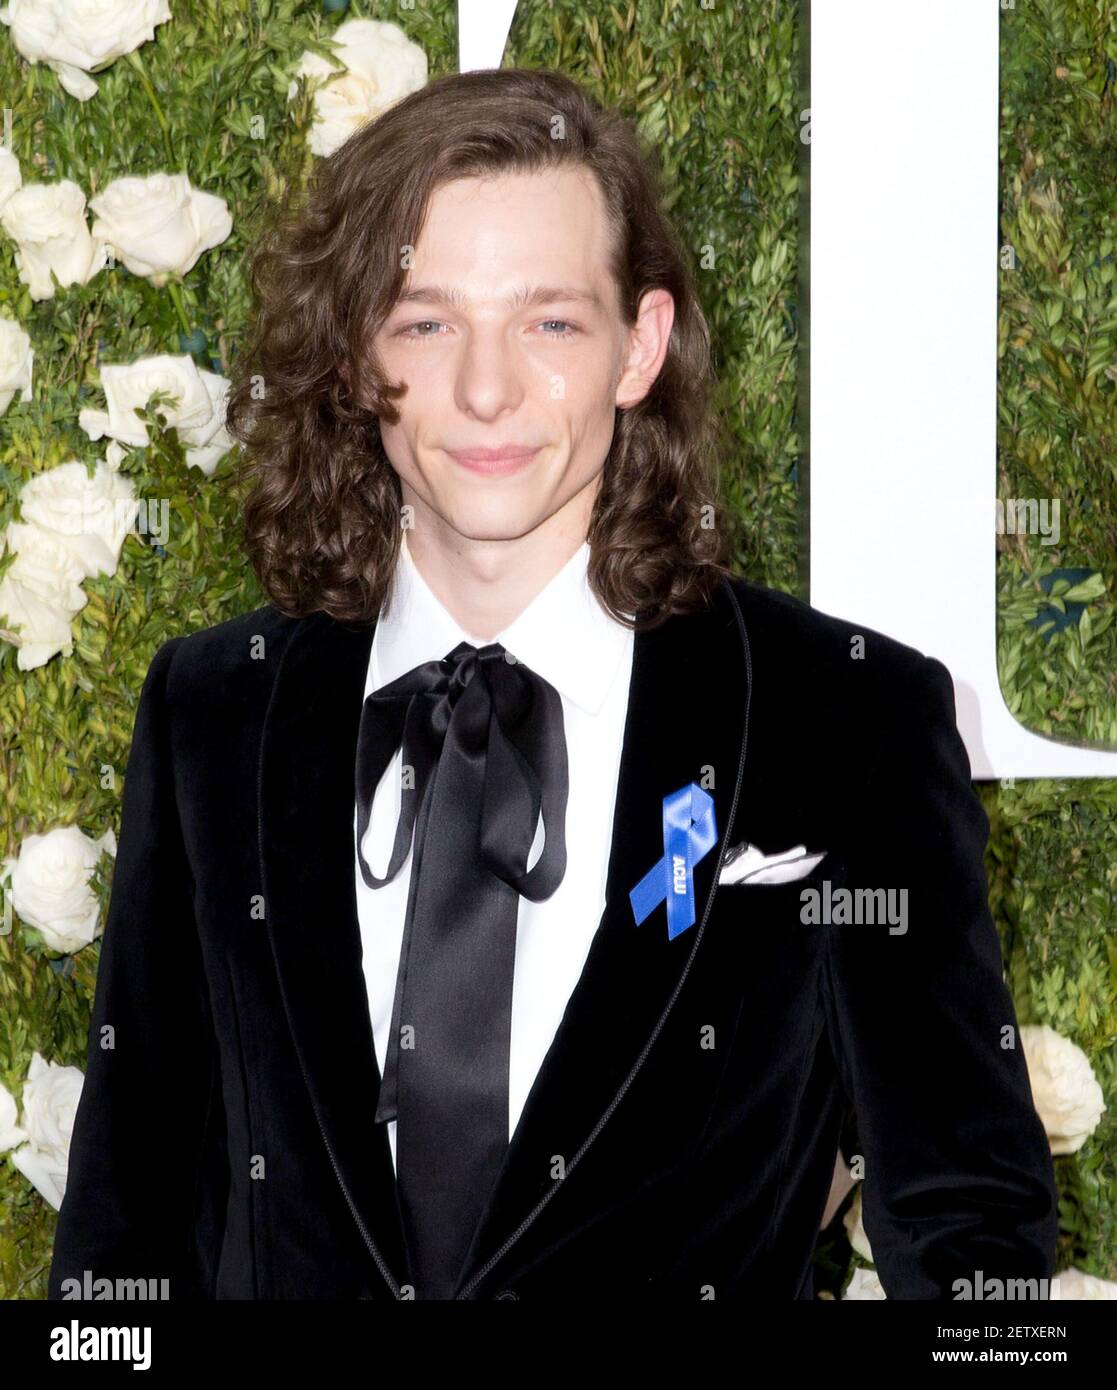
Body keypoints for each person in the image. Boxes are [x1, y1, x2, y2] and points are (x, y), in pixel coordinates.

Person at [48, 67, 1056, 1302]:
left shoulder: (844, 717)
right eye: (425, 320)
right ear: (360, 349)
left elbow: (973, 1240)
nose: (485, 390)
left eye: (549, 323)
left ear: (639, 346)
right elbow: (126, 1241)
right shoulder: (213, 710)